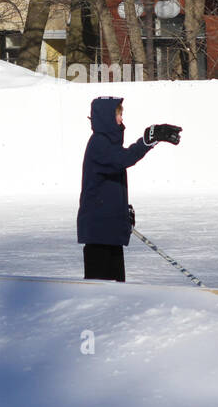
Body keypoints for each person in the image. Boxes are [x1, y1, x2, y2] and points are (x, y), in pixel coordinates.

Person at [77, 96, 181, 281]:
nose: (121, 119)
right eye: (117, 115)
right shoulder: (99, 143)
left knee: (117, 291)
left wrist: (121, 213)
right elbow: (124, 159)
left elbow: (108, 186)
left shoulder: (107, 144)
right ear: (106, 117)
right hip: (98, 234)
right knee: (99, 295)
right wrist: (148, 140)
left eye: (121, 114)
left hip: (108, 230)